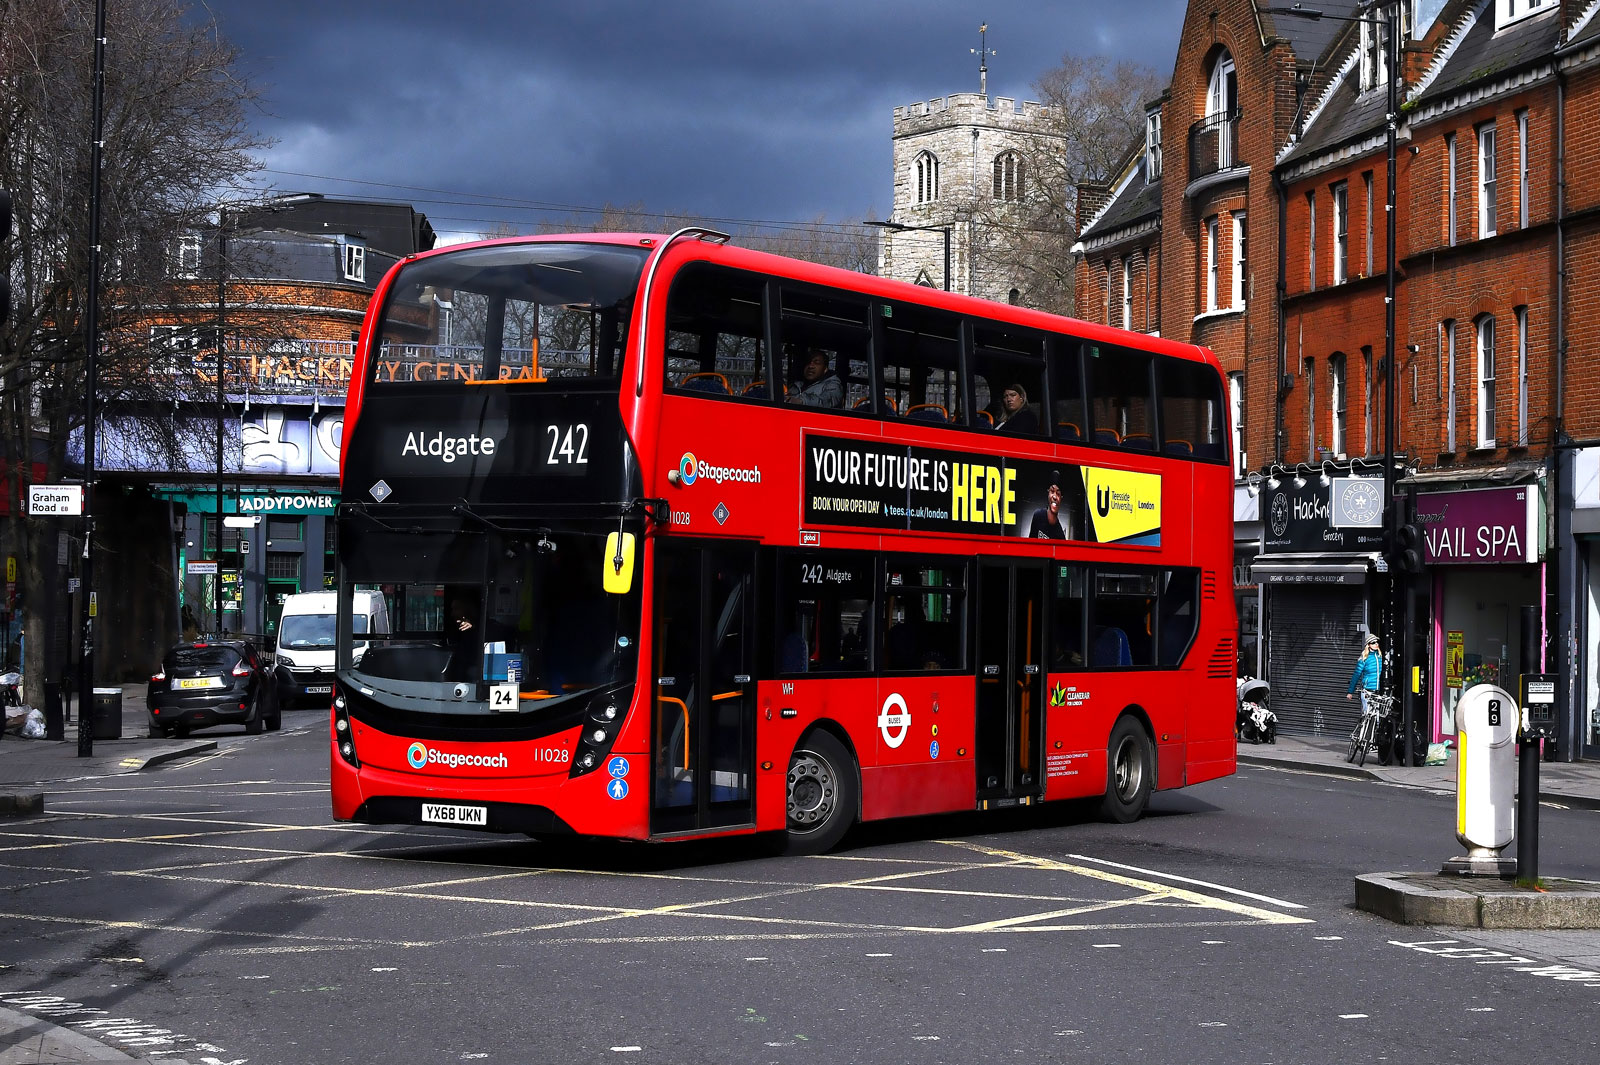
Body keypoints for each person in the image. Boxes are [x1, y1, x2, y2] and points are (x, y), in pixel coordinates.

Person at [1347, 632, 1382, 710]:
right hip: (1367, 690)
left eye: (1377, 642)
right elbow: (1356, 674)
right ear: (1368, 645)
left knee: (1377, 717)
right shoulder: (1364, 658)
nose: (1376, 644)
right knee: (1367, 714)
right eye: (1373, 642)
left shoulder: (1380, 656)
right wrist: (1350, 692)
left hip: (1377, 691)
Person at [1026, 475, 1067, 540]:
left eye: (1058, 494)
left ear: (1061, 498)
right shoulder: (1038, 515)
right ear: (1048, 493)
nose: (1055, 497)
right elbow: (1030, 545)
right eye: (1052, 491)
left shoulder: (1060, 535)